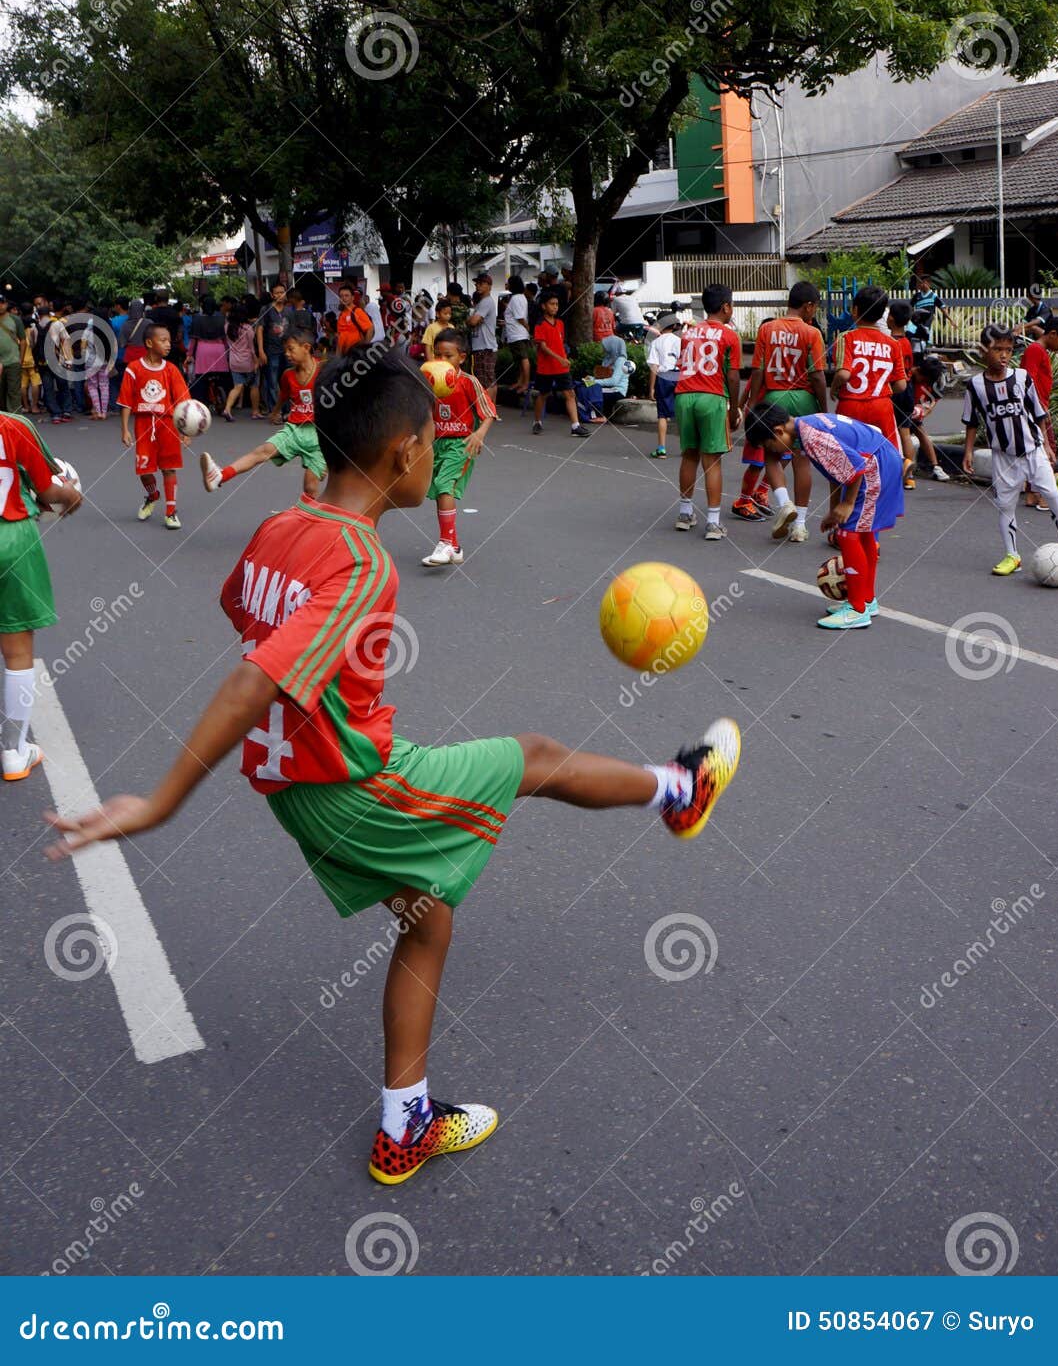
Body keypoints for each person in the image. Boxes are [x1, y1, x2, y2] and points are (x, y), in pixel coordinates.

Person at [44, 345, 742, 1186]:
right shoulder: (363, 560)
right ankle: (680, 790)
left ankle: (402, 1123)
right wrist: (159, 802)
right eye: (429, 438)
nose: (435, 449)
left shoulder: (282, 526)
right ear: (404, 453)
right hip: (349, 785)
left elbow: (243, 608)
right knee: (531, 757)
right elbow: (253, 676)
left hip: (295, 783)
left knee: (427, 916)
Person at [745, 402, 904, 631]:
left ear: (779, 431)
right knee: (862, 532)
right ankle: (866, 600)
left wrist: (847, 504)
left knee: (848, 535)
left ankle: (857, 609)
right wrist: (834, 509)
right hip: (882, 460)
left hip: (872, 467)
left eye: (770, 445)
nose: (775, 452)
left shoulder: (811, 438)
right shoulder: (806, 425)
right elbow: (838, 471)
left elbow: (855, 466)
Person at [0, 411, 82, 780]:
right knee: (17, 652)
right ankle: (14, 752)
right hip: (11, 539)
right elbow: (48, 490)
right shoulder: (15, 426)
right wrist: (72, 497)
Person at [961, 323, 1058, 575]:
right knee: (1005, 506)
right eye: (998, 349)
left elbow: (1038, 413)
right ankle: (1012, 555)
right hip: (1003, 457)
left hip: (1032, 450)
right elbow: (972, 422)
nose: (1004, 355)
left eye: (1008, 349)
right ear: (985, 351)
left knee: (1052, 496)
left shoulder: (1021, 377)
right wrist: (968, 451)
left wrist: (1047, 446)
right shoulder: (975, 386)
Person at [745, 282, 828, 541]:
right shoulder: (812, 333)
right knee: (802, 460)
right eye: (814, 308)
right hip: (803, 399)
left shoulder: (767, 329)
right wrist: (823, 410)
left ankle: (784, 503)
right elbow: (817, 377)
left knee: (771, 456)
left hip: (774, 398)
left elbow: (757, 371)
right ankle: (800, 525)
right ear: (808, 306)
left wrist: (749, 404)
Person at [202, 331, 324, 501]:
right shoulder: (288, 375)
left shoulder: (325, 371)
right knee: (261, 451)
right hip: (294, 430)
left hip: (321, 436)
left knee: (310, 486)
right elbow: (283, 396)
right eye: (285, 351)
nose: (287, 354)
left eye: (290, 349)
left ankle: (314, 524)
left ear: (306, 348)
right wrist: (274, 413)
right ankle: (220, 476)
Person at [421, 329, 496, 568]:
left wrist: (479, 434)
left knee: (445, 486)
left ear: (461, 358)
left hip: (460, 444)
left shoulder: (468, 382)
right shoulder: (430, 381)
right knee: (441, 493)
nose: (442, 361)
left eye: (448, 355)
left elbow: (489, 412)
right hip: (437, 444)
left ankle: (444, 543)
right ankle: (454, 546)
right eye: (438, 355)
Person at [674, 284, 742, 539]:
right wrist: (734, 409)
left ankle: (684, 512)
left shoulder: (689, 333)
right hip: (711, 397)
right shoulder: (729, 336)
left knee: (689, 454)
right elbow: (733, 377)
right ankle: (713, 522)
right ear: (726, 307)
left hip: (684, 395)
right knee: (712, 460)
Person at [118, 323, 191, 529]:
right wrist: (124, 429)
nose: (168, 344)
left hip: (167, 424)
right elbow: (125, 401)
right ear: (149, 343)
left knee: (169, 468)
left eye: (169, 340)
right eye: (163, 340)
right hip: (143, 424)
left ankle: (171, 511)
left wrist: (186, 430)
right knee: (144, 470)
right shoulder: (133, 369)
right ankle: (153, 495)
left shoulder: (171, 370)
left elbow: (184, 401)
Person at [831, 285, 906, 451]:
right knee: (885, 453)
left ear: (855, 310)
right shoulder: (893, 343)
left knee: (847, 455)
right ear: (881, 314)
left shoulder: (846, 338)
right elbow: (901, 385)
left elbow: (843, 374)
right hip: (882, 405)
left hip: (851, 405)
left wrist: (833, 388)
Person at [531, 289, 589, 438]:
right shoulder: (540, 325)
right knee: (543, 394)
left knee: (570, 393)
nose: (555, 307)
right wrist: (560, 358)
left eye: (556, 304)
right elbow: (543, 347)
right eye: (552, 304)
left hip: (561, 367)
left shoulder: (560, 323)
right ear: (544, 306)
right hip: (546, 368)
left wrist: (564, 358)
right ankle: (537, 421)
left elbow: (560, 343)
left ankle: (575, 426)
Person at [1019, 314, 1058, 504]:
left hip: (1037, 407)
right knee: (1047, 449)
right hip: (1036, 409)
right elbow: (1029, 381)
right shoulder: (1035, 350)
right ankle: (1042, 494)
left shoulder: (1039, 350)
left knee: (1038, 450)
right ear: (1053, 334)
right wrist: (1042, 408)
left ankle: (1033, 494)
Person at [887, 299, 917, 489]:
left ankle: (896, 467)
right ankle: (910, 477)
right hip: (908, 388)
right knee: (905, 432)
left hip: (894, 389)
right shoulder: (907, 342)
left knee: (888, 431)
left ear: (890, 318)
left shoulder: (890, 343)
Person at [909, 357, 951, 482]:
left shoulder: (934, 382)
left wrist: (923, 412)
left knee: (921, 433)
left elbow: (933, 400)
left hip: (914, 409)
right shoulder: (908, 375)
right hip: (900, 408)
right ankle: (907, 470)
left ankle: (936, 467)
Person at [186, 294, 230, 412]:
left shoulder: (197, 319)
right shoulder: (221, 318)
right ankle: (220, 396)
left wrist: (189, 354)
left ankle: (202, 402)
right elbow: (225, 338)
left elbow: (193, 340)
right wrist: (227, 351)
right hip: (219, 349)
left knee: (201, 379)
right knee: (220, 377)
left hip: (203, 350)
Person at [647, 312, 682, 457]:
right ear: (674, 325)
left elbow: (654, 367)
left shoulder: (656, 342)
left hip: (664, 377)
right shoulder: (680, 341)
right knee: (682, 414)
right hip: (679, 377)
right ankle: (686, 448)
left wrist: (651, 388)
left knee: (662, 414)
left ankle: (661, 448)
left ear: (659, 325)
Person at [223, 302, 263, 421]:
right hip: (247, 361)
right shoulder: (247, 328)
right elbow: (251, 348)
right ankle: (255, 411)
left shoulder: (227, 326)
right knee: (254, 386)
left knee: (237, 387)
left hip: (234, 361)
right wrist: (256, 361)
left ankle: (227, 409)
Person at [256, 283, 293, 408]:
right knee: (272, 382)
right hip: (271, 351)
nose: (280, 295)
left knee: (286, 381)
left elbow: (293, 331)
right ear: (272, 295)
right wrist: (261, 351)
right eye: (277, 292)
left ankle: (287, 410)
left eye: (282, 292)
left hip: (287, 351)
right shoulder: (265, 310)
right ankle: (274, 410)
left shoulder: (289, 311)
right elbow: (259, 330)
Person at [468, 272, 498, 400]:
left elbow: (473, 321)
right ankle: (489, 410)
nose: (477, 285)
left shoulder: (486, 302)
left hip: (486, 347)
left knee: (487, 381)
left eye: (481, 283)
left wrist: (470, 320)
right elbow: (474, 321)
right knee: (485, 379)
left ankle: (489, 411)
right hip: (482, 347)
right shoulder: (481, 303)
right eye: (477, 283)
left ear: (489, 286)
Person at [501, 275, 531, 394]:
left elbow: (520, 318)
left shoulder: (516, 298)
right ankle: (520, 381)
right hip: (517, 334)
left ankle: (525, 383)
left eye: (508, 283)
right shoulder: (519, 297)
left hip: (518, 334)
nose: (506, 285)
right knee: (519, 360)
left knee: (523, 359)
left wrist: (527, 328)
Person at [0, 291, 26, 415]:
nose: (0, 306)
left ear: (6, 304)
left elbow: (23, 340)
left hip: (13, 362)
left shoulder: (15, 319)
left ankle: (15, 422)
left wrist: (20, 360)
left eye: (2, 303)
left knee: (14, 394)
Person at [335, 281, 373, 353]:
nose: (343, 298)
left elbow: (370, 328)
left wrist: (365, 348)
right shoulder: (341, 315)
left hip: (356, 353)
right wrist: (338, 357)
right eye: (341, 296)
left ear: (352, 298)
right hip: (345, 355)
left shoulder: (357, 311)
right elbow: (340, 336)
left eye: (346, 295)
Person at [19, 303, 42, 415]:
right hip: (33, 358)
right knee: (35, 382)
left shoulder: (17, 324)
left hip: (21, 358)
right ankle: (34, 406)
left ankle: (26, 406)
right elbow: (36, 343)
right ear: (32, 312)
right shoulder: (34, 324)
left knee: (23, 384)